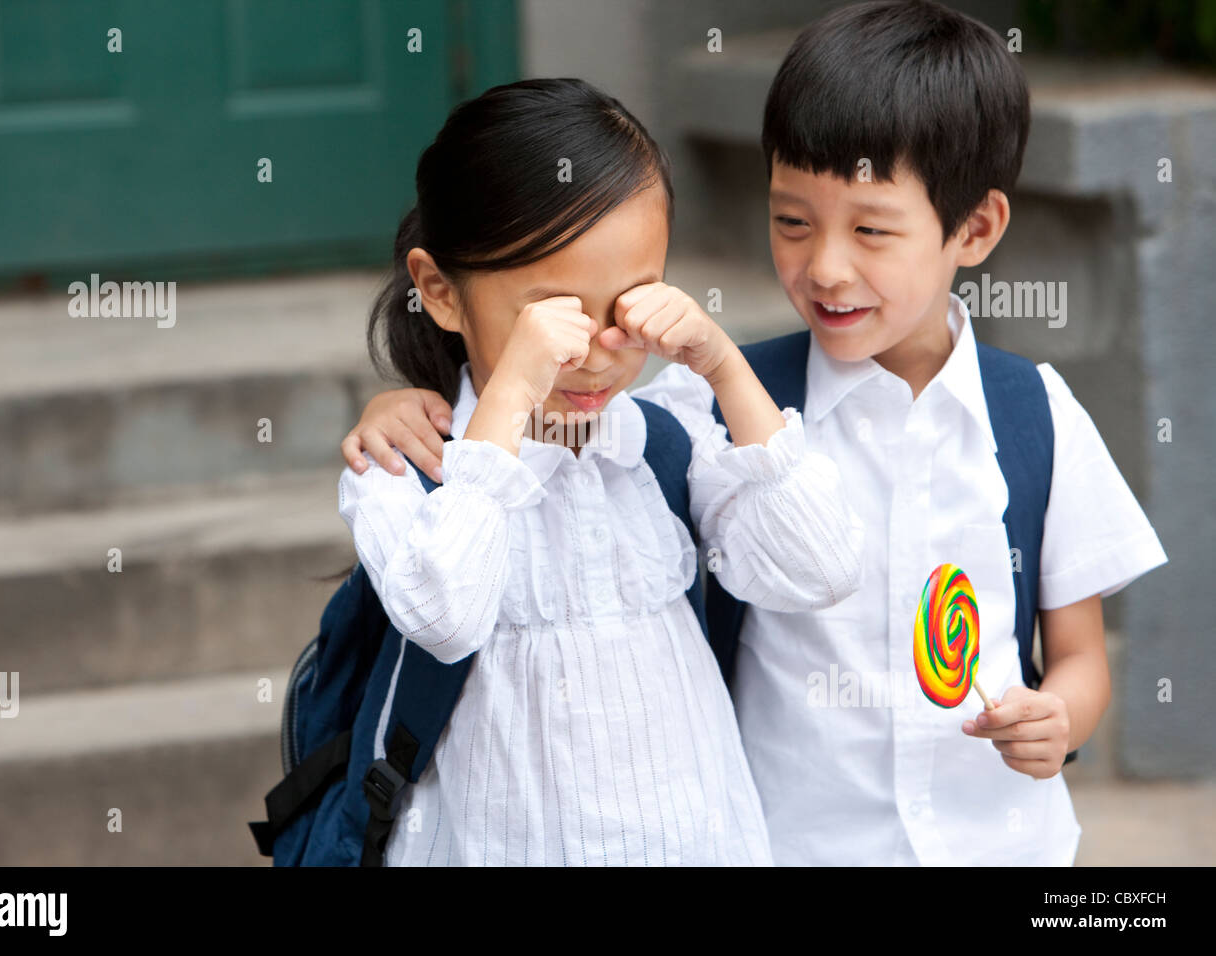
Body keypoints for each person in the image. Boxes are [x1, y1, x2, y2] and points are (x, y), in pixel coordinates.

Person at [340, 2, 1167, 865]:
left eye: (871, 230)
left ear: (977, 228)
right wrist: (439, 400)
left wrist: (1060, 717)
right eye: (791, 222)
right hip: (787, 838)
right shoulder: (664, 423)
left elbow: (1062, 649)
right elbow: (459, 578)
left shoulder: (1024, 415)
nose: (826, 267)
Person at [338, 77, 863, 866]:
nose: (593, 349)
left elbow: (821, 567)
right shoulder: (406, 470)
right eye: (552, 315)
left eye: (629, 305)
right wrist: (512, 391)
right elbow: (445, 617)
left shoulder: (667, 445)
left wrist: (723, 366)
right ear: (441, 293)